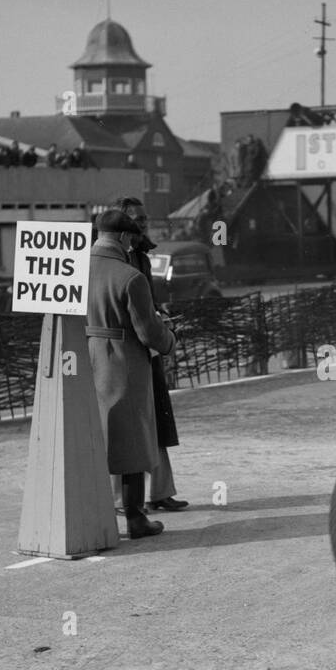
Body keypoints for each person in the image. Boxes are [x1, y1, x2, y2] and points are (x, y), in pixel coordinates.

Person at [87, 210, 177, 540]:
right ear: (125, 238)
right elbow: (148, 332)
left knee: (96, 438)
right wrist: (170, 340)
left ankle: (96, 513)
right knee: (133, 440)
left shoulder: (76, 270)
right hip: (123, 363)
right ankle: (136, 518)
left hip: (86, 359)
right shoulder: (130, 277)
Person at [110, 196, 188, 514]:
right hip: (125, 351)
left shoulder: (140, 254)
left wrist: (159, 316)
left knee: (157, 418)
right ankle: (120, 499)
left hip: (147, 346)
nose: (143, 223)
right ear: (123, 223)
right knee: (124, 425)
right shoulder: (118, 259)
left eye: (145, 218)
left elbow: (146, 301)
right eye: (136, 219)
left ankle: (160, 491)